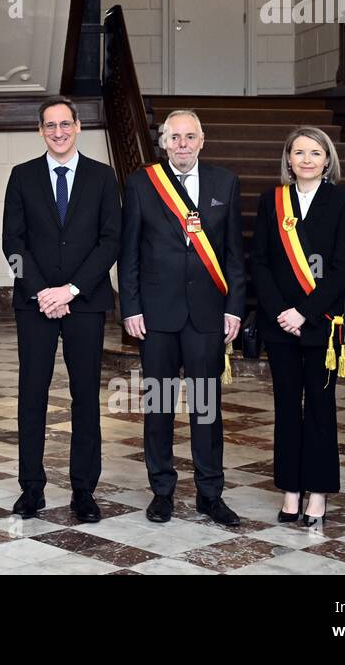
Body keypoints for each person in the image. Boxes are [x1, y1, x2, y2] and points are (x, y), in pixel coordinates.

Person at [119, 109, 245, 526]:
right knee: (158, 407)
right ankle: (162, 491)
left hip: (208, 316)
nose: (183, 144)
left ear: (202, 141)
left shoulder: (224, 182)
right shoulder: (141, 184)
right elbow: (129, 252)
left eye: (191, 137)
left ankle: (211, 493)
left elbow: (233, 255)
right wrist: (131, 307)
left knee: (206, 408)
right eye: (176, 138)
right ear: (164, 143)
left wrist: (234, 307)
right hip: (156, 316)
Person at [2, 96, 120, 522]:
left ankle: (84, 491)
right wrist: (42, 292)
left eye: (65, 124)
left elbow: (111, 241)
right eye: (49, 125)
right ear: (40, 130)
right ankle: (31, 489)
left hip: (85, 304)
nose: (58, 131)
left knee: (85, 396)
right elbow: (12, 246)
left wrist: (69, 290)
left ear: (77, 127)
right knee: (31, 396)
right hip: (35, 306)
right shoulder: (21, 176)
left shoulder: (103, 177)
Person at [251, 127, 345, 526]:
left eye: (316, 152)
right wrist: (282, 311)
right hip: (280, 325)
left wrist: (305, 313)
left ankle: (318, 492)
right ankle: (290, 489)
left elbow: (344, 266)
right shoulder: (272, 201)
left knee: (319, 408)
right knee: (285, 409)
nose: (307, 159)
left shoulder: (343, 202)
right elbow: (259, 261)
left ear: (327, 160)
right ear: (289, 160)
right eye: (299, 152)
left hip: (322, 324)